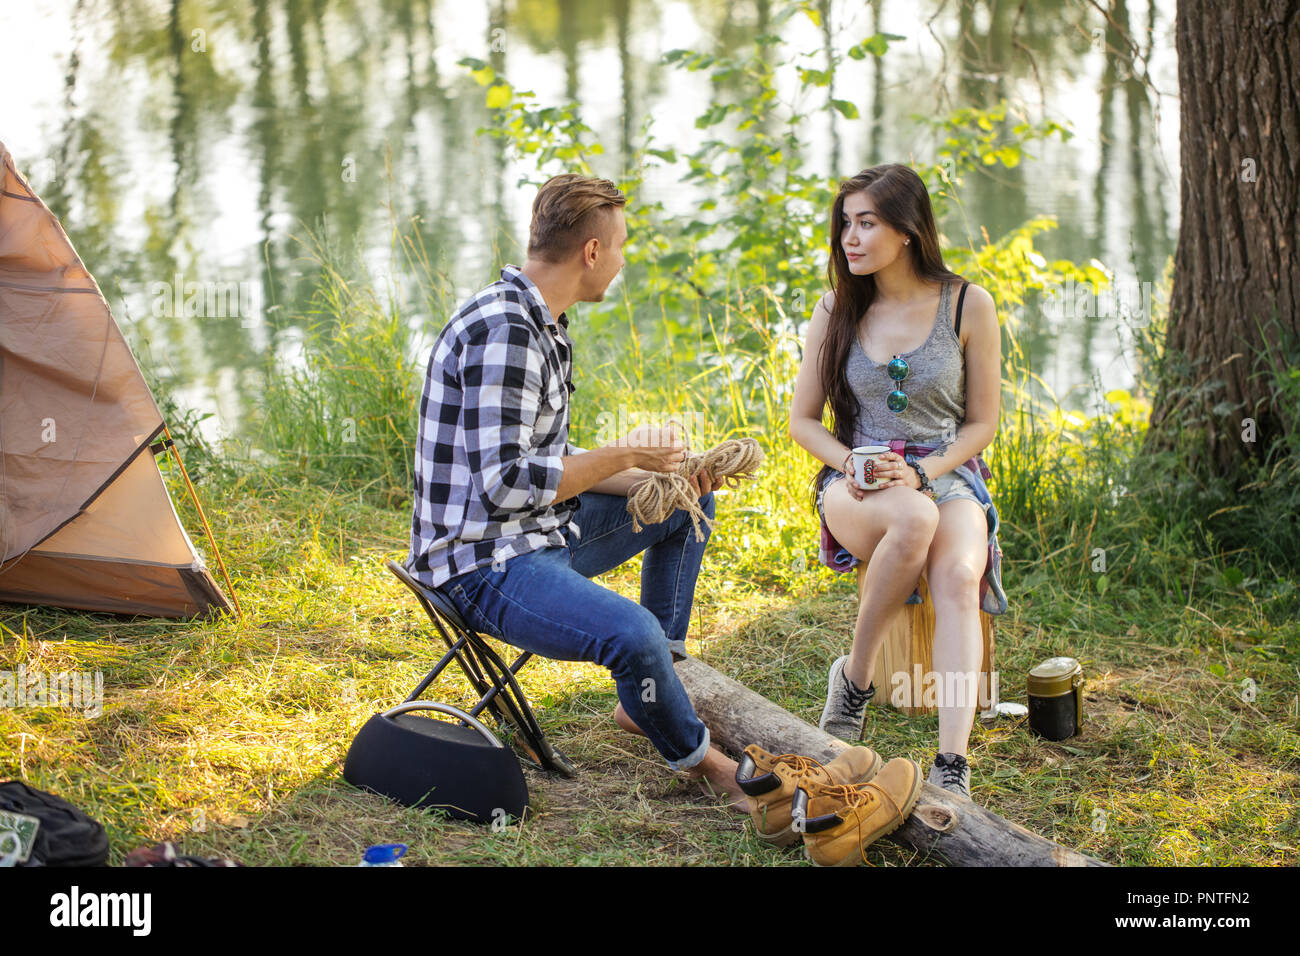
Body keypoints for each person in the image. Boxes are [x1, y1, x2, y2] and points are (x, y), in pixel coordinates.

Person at [406, 173, 746, 807]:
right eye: (619, 247)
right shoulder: (506, 331)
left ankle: (651, 695)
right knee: (633, 634)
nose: (621, 261)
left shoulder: (540, 321)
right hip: (482, 563)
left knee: (687, 504)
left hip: (532, 531)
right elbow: (507, 483)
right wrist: (624, 451)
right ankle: (706, 765)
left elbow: (551, 459)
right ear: (592, 252)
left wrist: (658, 477)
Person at [788, 163, 1008, 799]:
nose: (849, 239)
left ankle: (951, 764)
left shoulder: (970, 304)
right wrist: (852, 461)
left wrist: (924, 469)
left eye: (867, 224)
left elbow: (981, 424)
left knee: (959, 575)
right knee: (914, 519)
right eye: (845, 225)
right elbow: (802, 423)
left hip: (944, 471)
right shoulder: (836, 307)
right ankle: (855, 681)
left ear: (907, 231)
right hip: (859, 481)